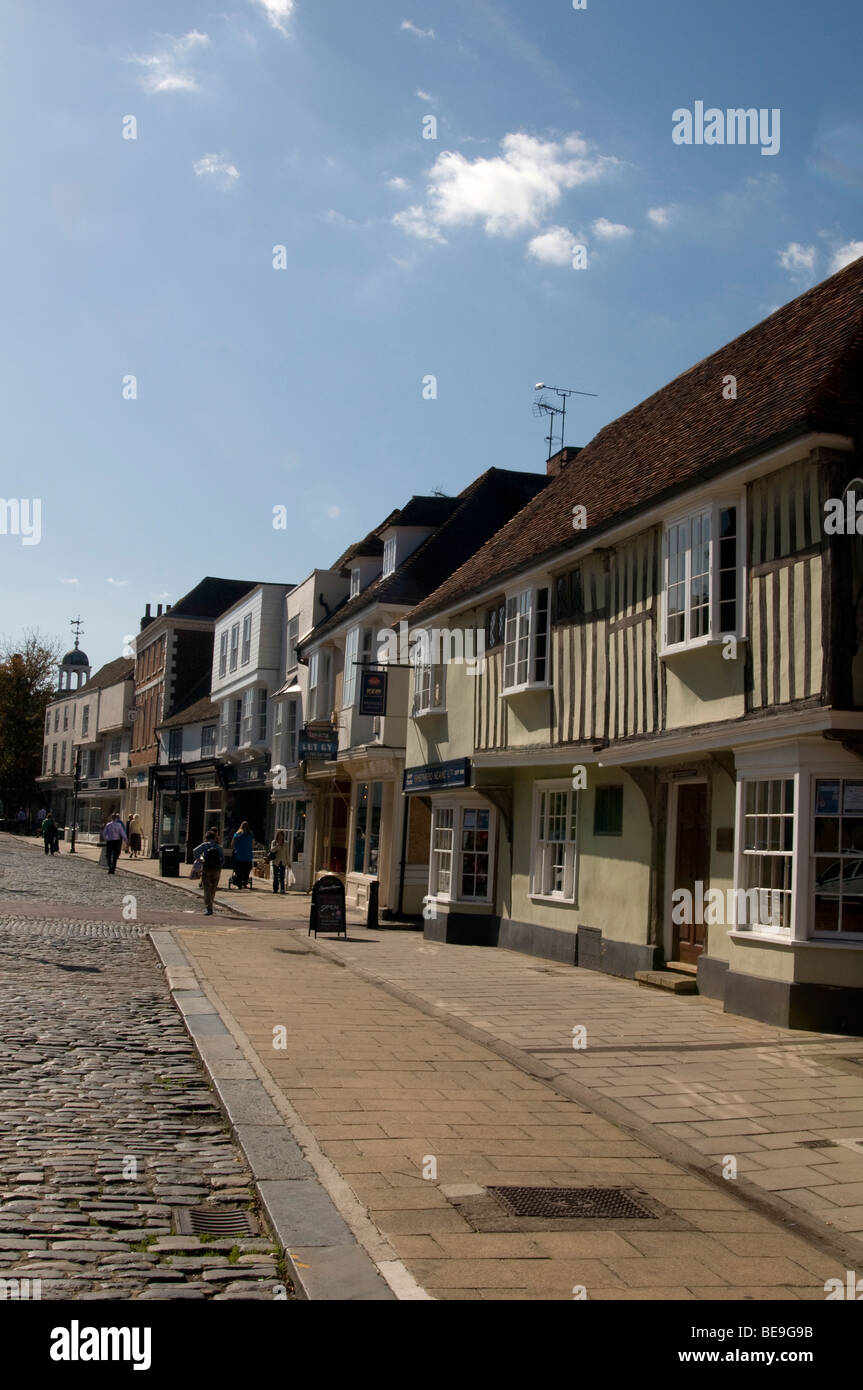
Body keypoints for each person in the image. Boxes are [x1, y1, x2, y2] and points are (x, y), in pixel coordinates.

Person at [193, 828, 224, 915]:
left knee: (207, 888)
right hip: (216, 870)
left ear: (206, 838)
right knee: (213, 888)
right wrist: (219, 866)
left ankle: (209, 908)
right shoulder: (218, 847)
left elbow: (195, 851)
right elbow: (222, 859)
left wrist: (200, 859)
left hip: (206, 868)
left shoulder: (205, 845)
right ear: (214, 838)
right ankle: (211, 903)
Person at [231, 820, 254, 889]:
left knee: (239, 871)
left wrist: (236, 848)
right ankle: (245, 883)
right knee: (246, 871)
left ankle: (239, 884)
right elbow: (253, 844)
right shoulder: (251, 834)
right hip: (248, 856)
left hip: (238, 856)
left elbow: (232, 844)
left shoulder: (237, 834)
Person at [269, 829, 292, 894]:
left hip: (283, 861)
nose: (280, 837)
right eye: (279, 836)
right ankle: (275, 889)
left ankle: (282, 889)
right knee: (275, 876)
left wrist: (289, 863)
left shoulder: (286, 843)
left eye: (281, 836)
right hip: (276, 861)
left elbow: (287, 854)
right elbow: (272, 850)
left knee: (282, 876)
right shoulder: (274, 842)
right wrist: (278, 845)